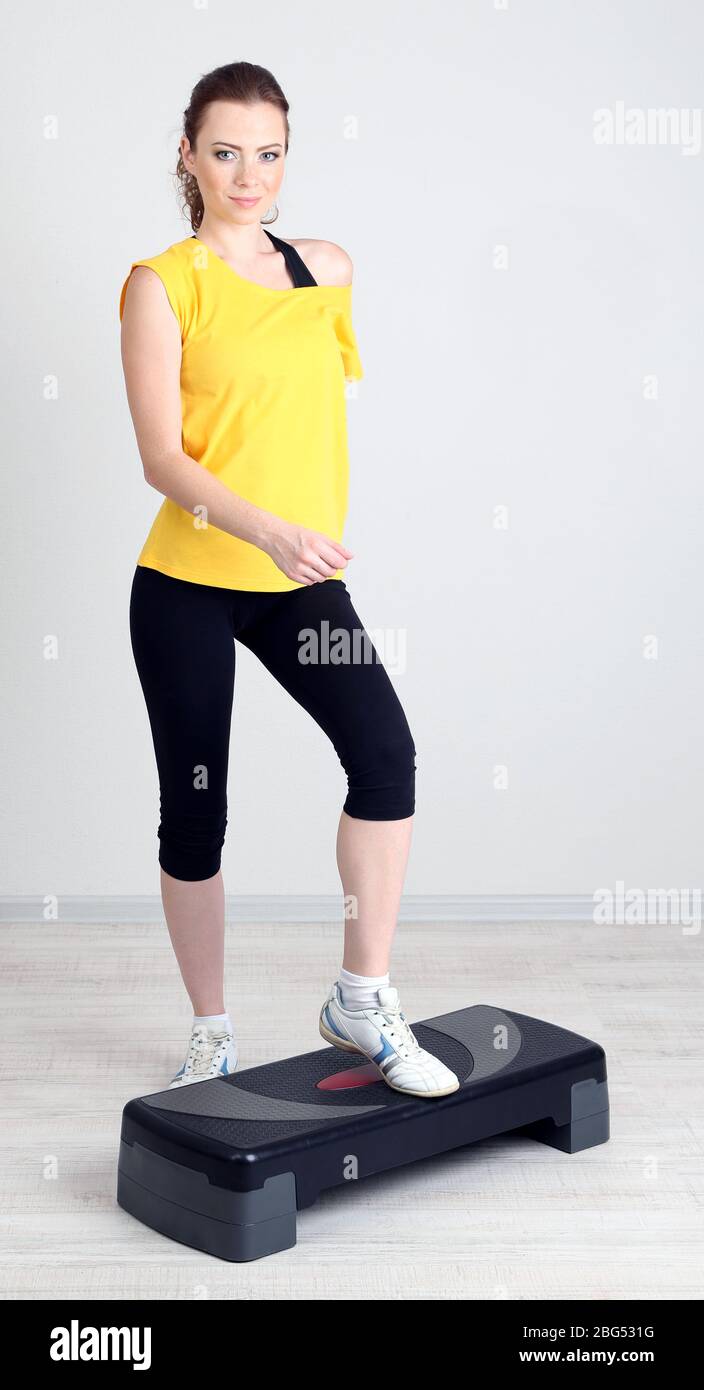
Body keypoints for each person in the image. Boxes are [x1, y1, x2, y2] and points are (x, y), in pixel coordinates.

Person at [119, 60, 459, 1100]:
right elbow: (163, 460)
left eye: (267, 153)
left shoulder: (325, 270)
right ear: (189, 156)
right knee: (196, 811)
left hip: (293, 580)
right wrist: (265, 528)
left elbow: (297, 418)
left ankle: (360, 996)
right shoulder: (158, 282)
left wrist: (284, 542)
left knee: (385, 756)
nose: (248, 172)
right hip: (188, 580)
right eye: (225, 152)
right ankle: (211, 1031)